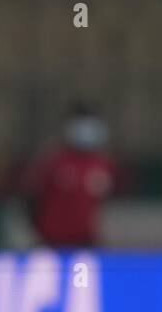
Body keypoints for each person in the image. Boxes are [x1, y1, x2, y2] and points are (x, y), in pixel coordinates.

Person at [21, 103, 120, 247]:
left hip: (86, 242)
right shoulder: (52, 161)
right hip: (51, 242)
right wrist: (39, 229)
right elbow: (31, 197)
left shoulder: (104, 164)